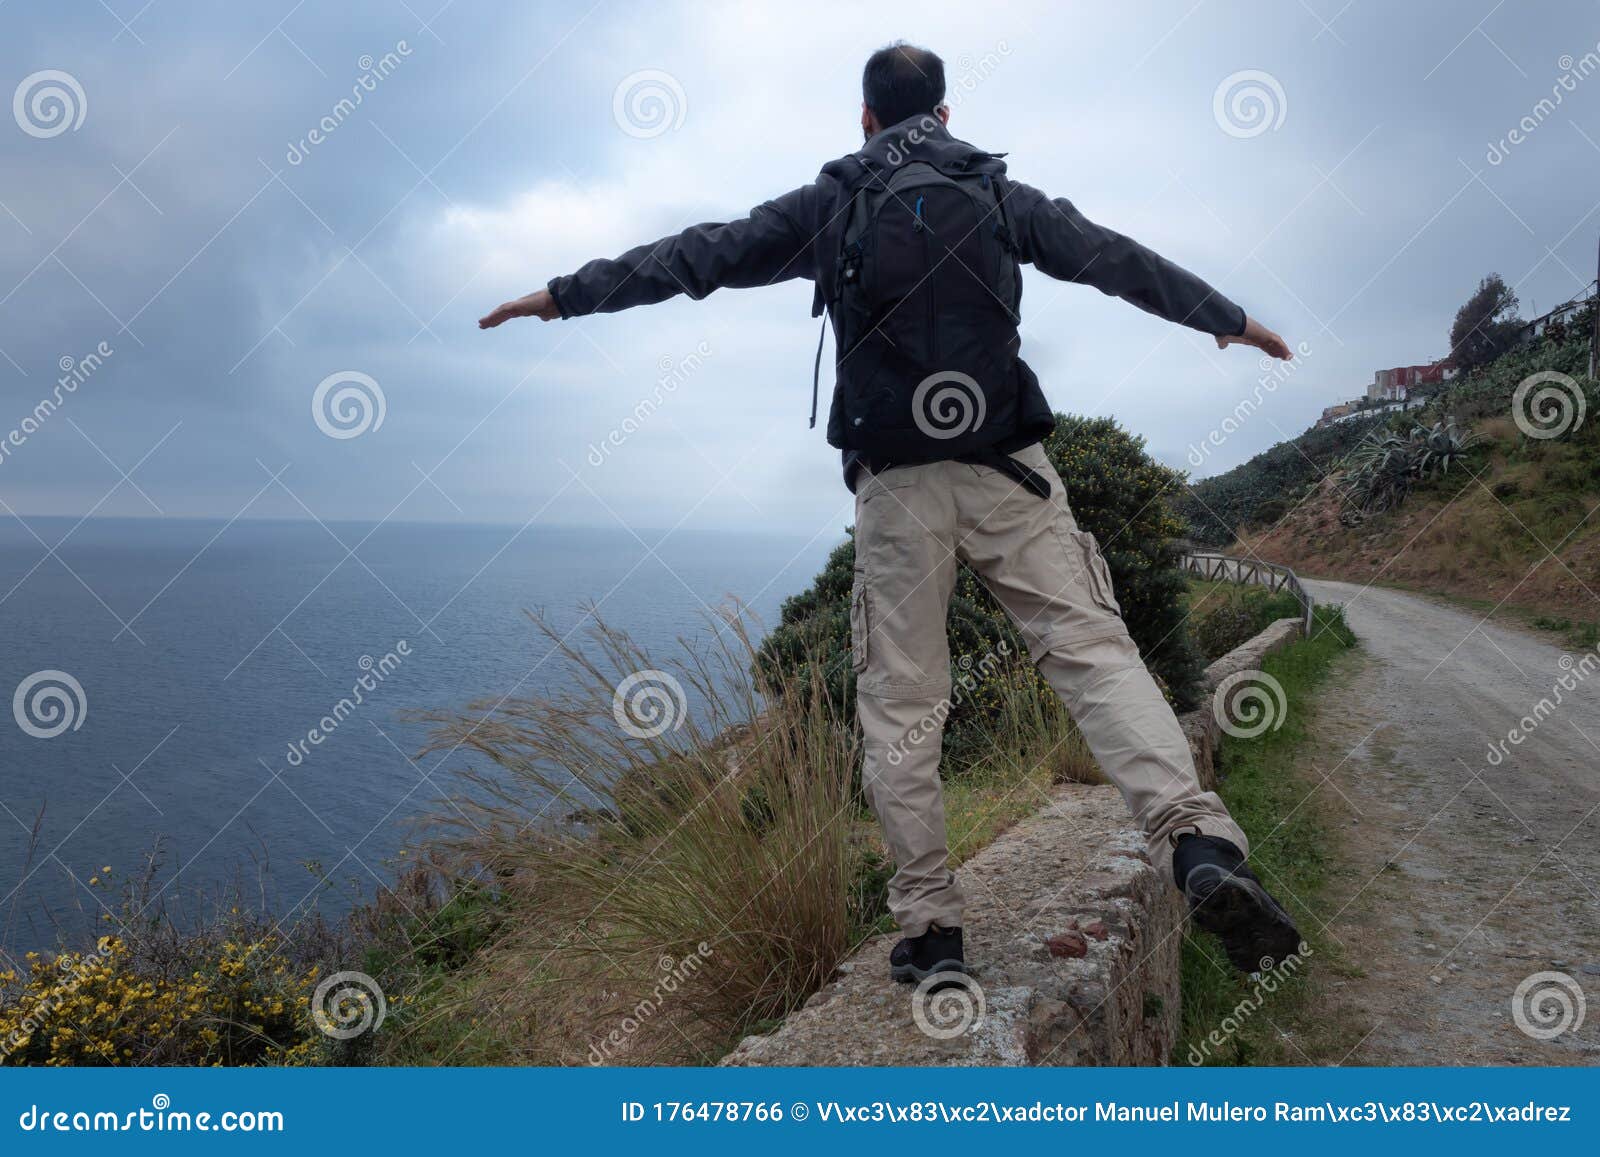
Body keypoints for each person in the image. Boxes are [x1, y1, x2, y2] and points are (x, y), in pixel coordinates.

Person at [480, 42, 1302, 981]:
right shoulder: (999, 193)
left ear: (865, 119)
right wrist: (1228, 319)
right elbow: (1116, 260)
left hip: (898, 487)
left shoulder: (832, 202)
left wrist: (562, 298)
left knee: (903, 703)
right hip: (1011, 471)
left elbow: (693, 256)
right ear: (945, 115)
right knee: (1095, 655)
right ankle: (1197, 845)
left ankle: (933, 931)